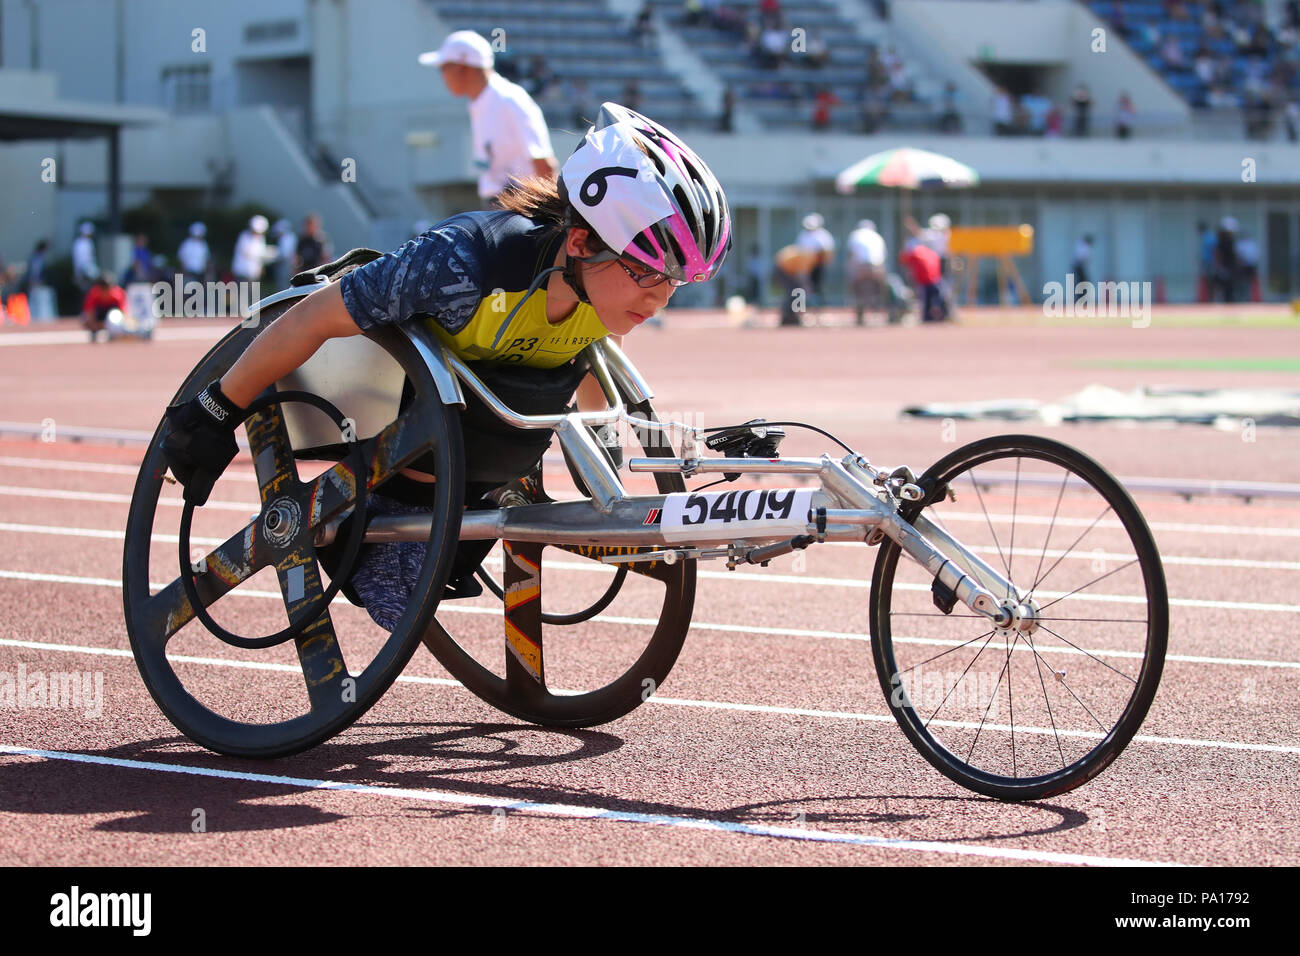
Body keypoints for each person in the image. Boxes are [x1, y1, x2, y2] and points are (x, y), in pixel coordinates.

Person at [160, 103, 731, 632]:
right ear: (580, 241)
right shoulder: (460, 265)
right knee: (404, 586)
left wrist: (600, 442)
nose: (660, 298)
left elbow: (583, 356)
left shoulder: (606, 296)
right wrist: (216, 409)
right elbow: (312, 317)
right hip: (391, 459)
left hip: (481, 473)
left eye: (676, 280)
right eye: (647, 272)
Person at [419, 30, 559, 206]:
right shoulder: (481, 99)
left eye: (443, 68)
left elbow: (543, 162)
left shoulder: (509, 99)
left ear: (462, 65)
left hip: (519, 205)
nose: (442, 76)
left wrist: (548, 218)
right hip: (503, 204)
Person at [846, 219, 887, 326]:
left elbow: (851, 254)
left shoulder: (855, 235)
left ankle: (860, 316)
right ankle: (880, 314)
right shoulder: (878, 236)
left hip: (861, 266)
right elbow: (882, 256)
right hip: (878, 266)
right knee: (879, 290)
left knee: (857, 290)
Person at [899, 241, 946, 322]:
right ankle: (940, 316)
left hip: (925, 280)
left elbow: (903, 260)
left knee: (926, 300)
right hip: (936, 279)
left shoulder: (915, 253)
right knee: (936, 299)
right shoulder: (932, 253)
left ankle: (927, 317)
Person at [797, 213, 835, 307]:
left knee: (819, 286)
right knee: (805, 286)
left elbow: (827, 251)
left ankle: (819, 306)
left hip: (819, 265)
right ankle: (805, 305)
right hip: (806, 266)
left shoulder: (823, 235)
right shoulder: (802, 235)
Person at [81, 272, 127, 343]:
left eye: (107, 288)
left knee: (115, 316)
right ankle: (94, 332)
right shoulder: (93, 295)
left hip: (112, 319)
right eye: (103, 289)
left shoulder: (118, 296)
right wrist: (94, 325)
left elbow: (124, 313)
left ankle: (114, 333)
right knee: (84, 319)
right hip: (99, 317)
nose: (106, 292)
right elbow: (89, 314)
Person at [232, 215, 274, 283]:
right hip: (243, 272)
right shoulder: (244, 236)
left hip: (253, 274)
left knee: (252, 293)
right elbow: (246, 253)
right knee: (244, 292)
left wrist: (261, 266)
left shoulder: (261, 238)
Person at [23, 239, 55, 322]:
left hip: (36, 283)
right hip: (36, 283)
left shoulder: (37, 256)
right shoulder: (38, 257)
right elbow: (35, 271)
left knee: (37, 303)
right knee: (36, 304)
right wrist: (34, 281)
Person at [72, 222, 98, 294]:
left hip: (89, 269)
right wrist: (78, 273)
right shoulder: (79, 243)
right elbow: (78, 260)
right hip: (84, 270)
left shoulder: (89, 242)